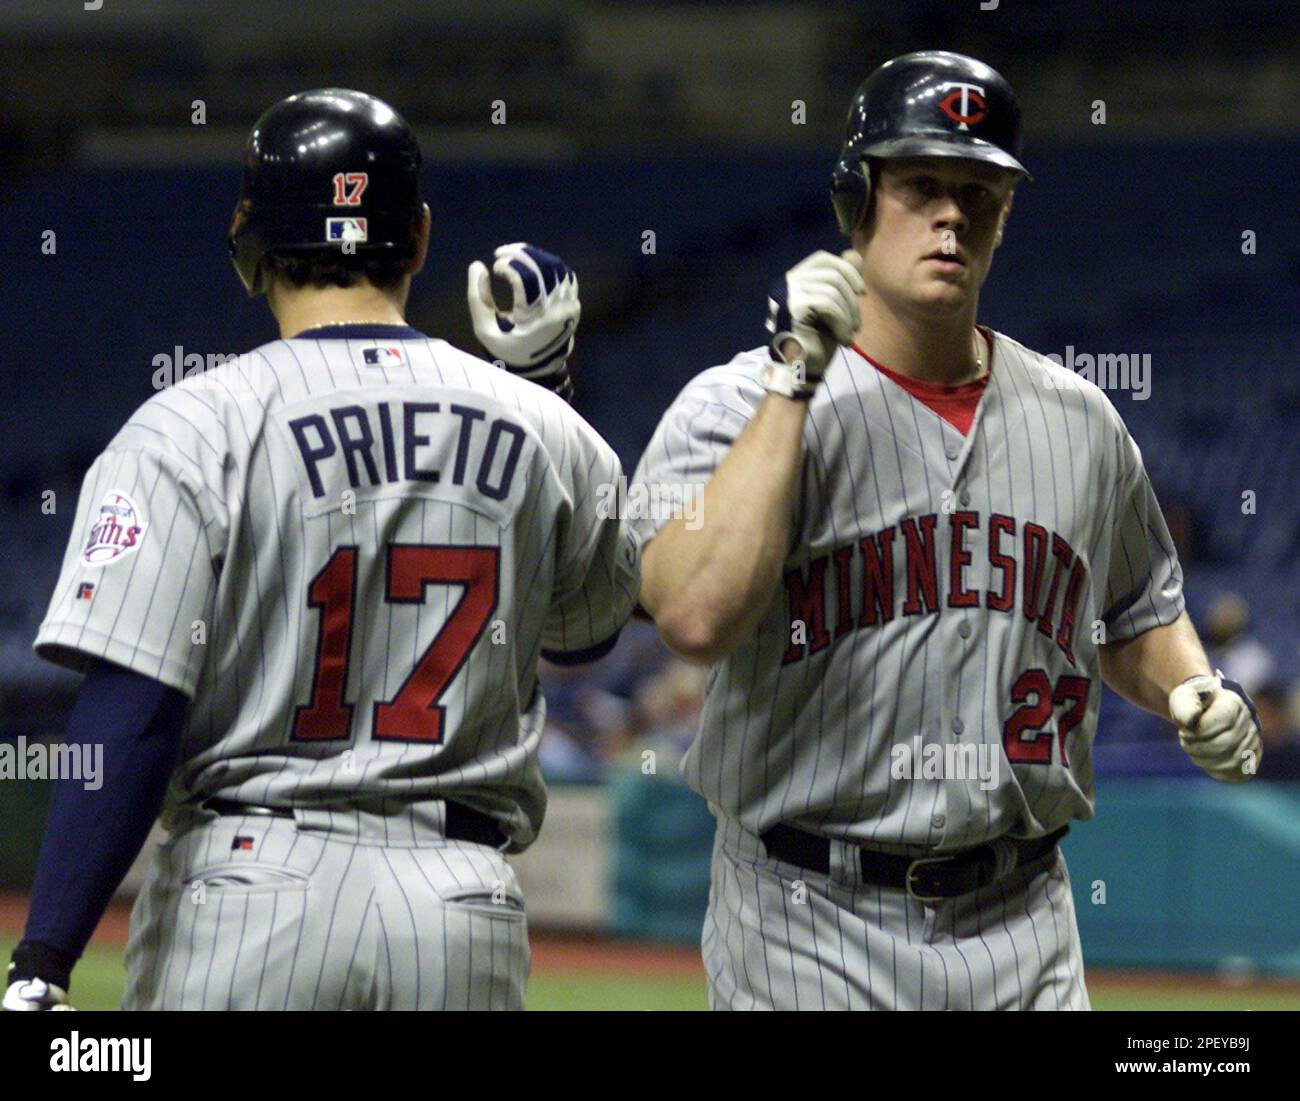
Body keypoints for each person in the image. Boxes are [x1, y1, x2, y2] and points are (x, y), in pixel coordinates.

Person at [628, 51, 1262, 1010]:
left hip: (1027, 918)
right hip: (808, 922)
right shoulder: (733, 407)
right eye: (921, 183)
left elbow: (1133, 611)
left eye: (981, 191)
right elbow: (694, 612)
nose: (952, 214)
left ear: (1005, 215)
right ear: (858, 199)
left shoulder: (1080, 420)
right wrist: (793, 381)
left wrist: (1193, 689)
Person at [5, 89, 638, 1011]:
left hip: (255, 890)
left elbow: (134, 710)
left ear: (247, 239)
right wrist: (547, 389)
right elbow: (584, 634)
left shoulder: (190, 425)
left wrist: (44, 957)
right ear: (418, 238)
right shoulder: (544, 424)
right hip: (459, 906)